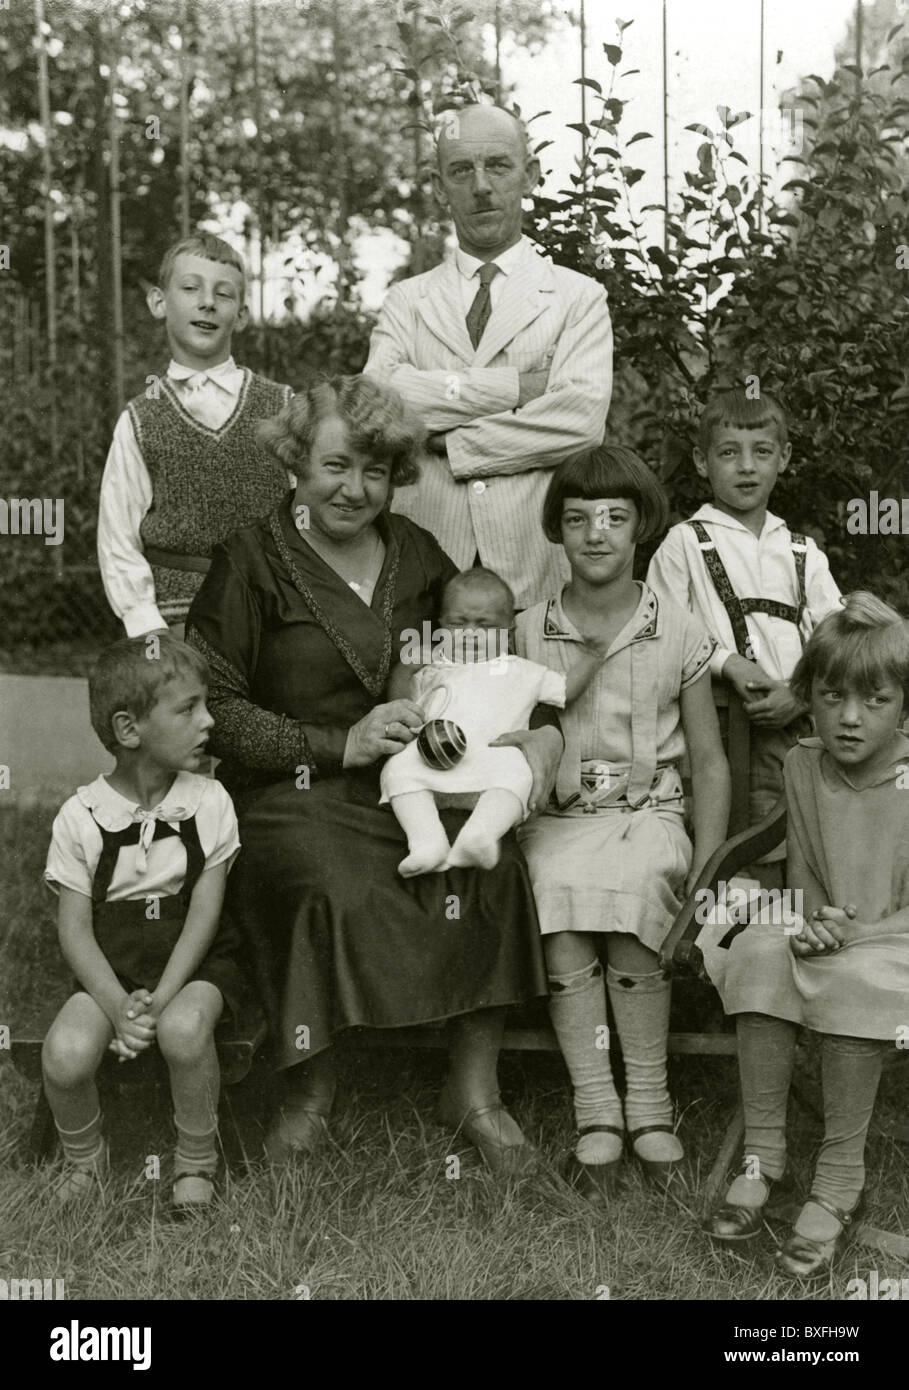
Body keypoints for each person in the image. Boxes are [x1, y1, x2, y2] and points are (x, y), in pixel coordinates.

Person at [186, 375, 564, 1175]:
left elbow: (483, 654)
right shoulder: (249, 561)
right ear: (295, 459)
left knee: (492, 869)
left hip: (418, 779)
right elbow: (212, 705)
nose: (352, 489)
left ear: (395, 475)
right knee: (332, 883)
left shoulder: (418, 555)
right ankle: (309, 1093)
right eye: (334, 465)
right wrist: (335, 743)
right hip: (285, 792)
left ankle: (473, 1092)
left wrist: (525, 736)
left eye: (373, 470)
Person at [515, 445, 731, 1202]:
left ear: (641, 525)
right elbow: (508, 742)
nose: (595, 535)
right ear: (557, 532)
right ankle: (595, 1105)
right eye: (576, 520)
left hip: (649, 816)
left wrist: (707, 862)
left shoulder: (674, 626)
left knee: (638, 883)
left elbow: (706, 762)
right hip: (560, 819)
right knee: (556, 887)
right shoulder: (528, 629)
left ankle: (647, 1099)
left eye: (613, 518)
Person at [705, 593, 909, 1279]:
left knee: (855, 980)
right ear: (808, 700)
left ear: (903, 707)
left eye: (875, 701)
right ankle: (763, 1154)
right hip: (824, 931)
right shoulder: (801, 765)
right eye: (830, 697)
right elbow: (805, 877)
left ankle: (838, 1179)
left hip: (896, 939)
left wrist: (851, 935)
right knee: (759, 953)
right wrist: (806, 929)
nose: (849, 718)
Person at [364, 103, 613, 611]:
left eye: (498, 165)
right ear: (438, 186)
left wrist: (451, 443)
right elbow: (382, 401)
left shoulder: (577, 298)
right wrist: (516, 389)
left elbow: (579, 421)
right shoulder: (406, 300)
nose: (481, 186)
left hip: (536, 568)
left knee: (539, 689)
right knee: (427, 690)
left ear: (530, 175)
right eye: (461, 170)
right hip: (426, 565)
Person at [41, 635, 243, 1211]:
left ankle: (195, 1163)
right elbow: (75, 930)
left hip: (196, 960)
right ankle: (86, 1161)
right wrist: (116, 1007)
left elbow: (206, 910)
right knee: (65, 1053)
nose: (208, 721)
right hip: (115, 964)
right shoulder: (80, 817)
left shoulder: (210, 802)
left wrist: (163, 998)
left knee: (182, 1031)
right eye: (188, 708)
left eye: (205, 704)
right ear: (129, 729)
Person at [647, 387, 841, 880]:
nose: (746, 467)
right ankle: (726, 948)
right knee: (740, 855)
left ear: (785, 458)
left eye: (762, 452)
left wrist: (801, 695)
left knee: (807, 846)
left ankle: (794, 943)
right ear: (701, 461)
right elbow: (661, 632)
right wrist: (728, 663)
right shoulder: (684, 542)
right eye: (729, 453)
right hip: (718, 731)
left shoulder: (802, 552)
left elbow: (837, 640)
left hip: (798, 731)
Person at [97, 232, 293, 639]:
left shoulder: (283, 407)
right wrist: (146, 625)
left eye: (224, 294)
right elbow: (118, 536)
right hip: (175, 622)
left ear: (240, 315)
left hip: (271, 615)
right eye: (190, 288)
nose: (207, 302)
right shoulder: (140, 417)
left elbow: (308, 518)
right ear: (158, 302)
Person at [382, 566, 604, 876]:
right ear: (441, 626)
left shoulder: (521, 669)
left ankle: (481, 835)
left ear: (508, 631)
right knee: (397, 769)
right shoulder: (433, 667)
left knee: (520, 772)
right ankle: (426, 842)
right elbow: (401, 705)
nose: (470, 633)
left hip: (491, 764)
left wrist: (593, 657)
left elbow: (565, 689)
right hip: (433, 763)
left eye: (485, 625)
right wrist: (406, 670)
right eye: (459, 623)